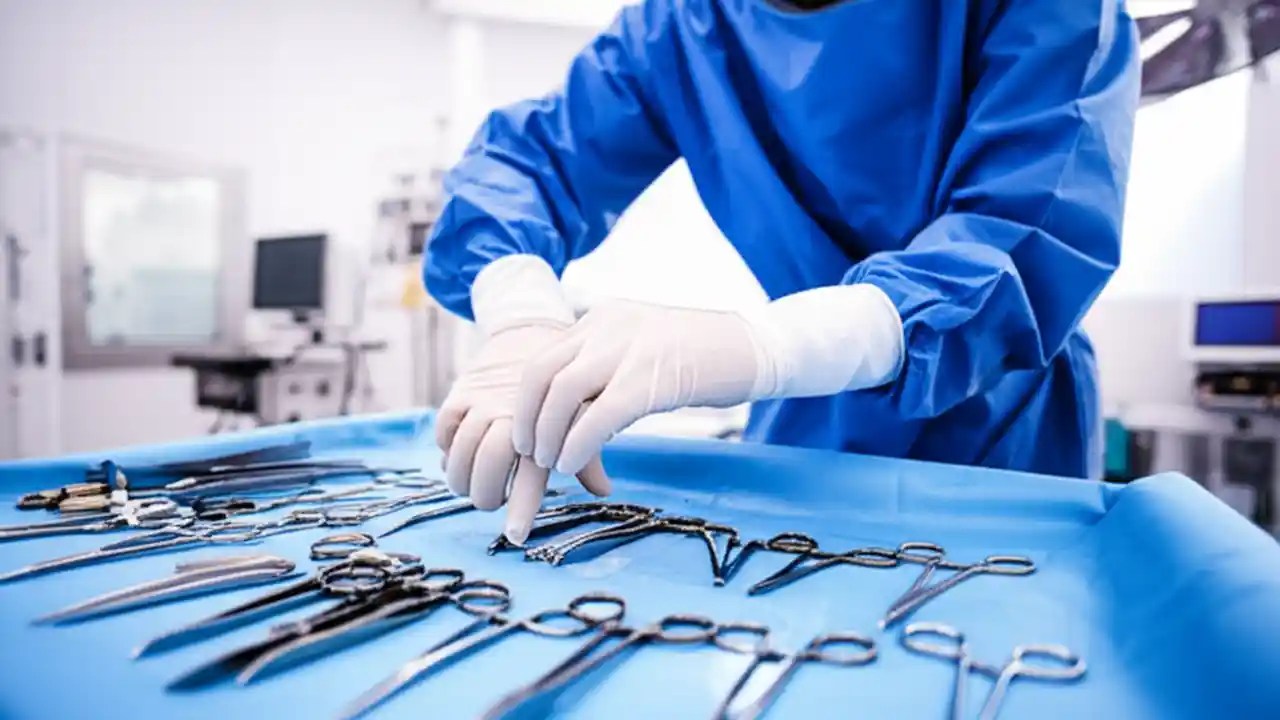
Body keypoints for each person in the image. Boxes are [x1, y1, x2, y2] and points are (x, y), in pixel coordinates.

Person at [424, 0, 1140, 545]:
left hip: (1001, 429)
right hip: (803, 408)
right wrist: (519, 314)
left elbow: (1022, 236)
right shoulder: (688, 23)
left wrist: (758, 346)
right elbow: (525, 165)